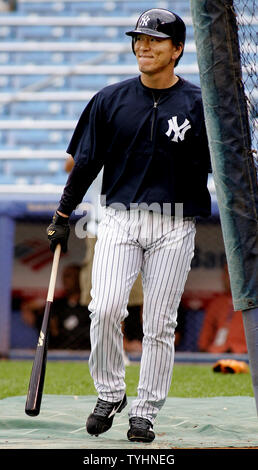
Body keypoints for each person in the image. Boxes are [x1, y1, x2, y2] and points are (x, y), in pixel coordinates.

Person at [46, 8, 211, 443]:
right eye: (139, 38)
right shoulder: (109, 99)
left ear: (176, 50)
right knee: (104, 310)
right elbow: (84, 165)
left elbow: (225, 167)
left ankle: (146, 410)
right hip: (119, 218)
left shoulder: (199, 104)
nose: (144, 45)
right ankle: (110, 392)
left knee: (159, 323)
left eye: (155, 40)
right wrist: (63, 216)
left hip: (176, 223)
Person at [198, 264, 247, 354]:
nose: (226, 278)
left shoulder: (252, 301)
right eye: (226, 274)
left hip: (243, 353)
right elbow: (205, 337)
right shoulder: (217, 302)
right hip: (217, 352)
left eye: (231, 274)